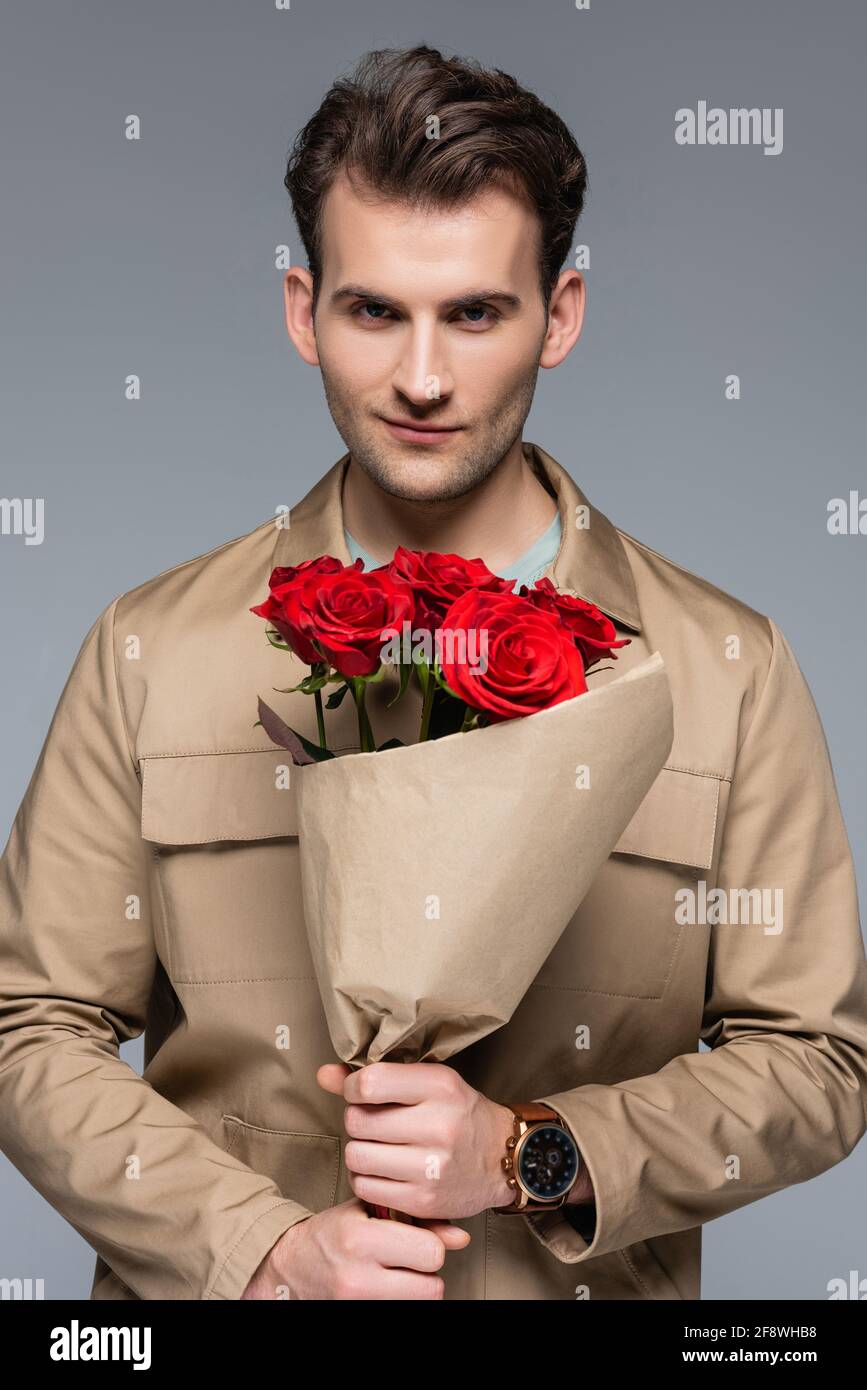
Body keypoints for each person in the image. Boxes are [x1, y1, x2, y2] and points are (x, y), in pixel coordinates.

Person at [1, 44, 865, 1303]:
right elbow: (28, 1027)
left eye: (474, 312)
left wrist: (534, 1152)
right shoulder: (153, 648)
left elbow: (818, 1062)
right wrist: (259, 1250)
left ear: (558, 315)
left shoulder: (727, 670)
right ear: (302, 309)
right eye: (373, 310)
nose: (420, 376)